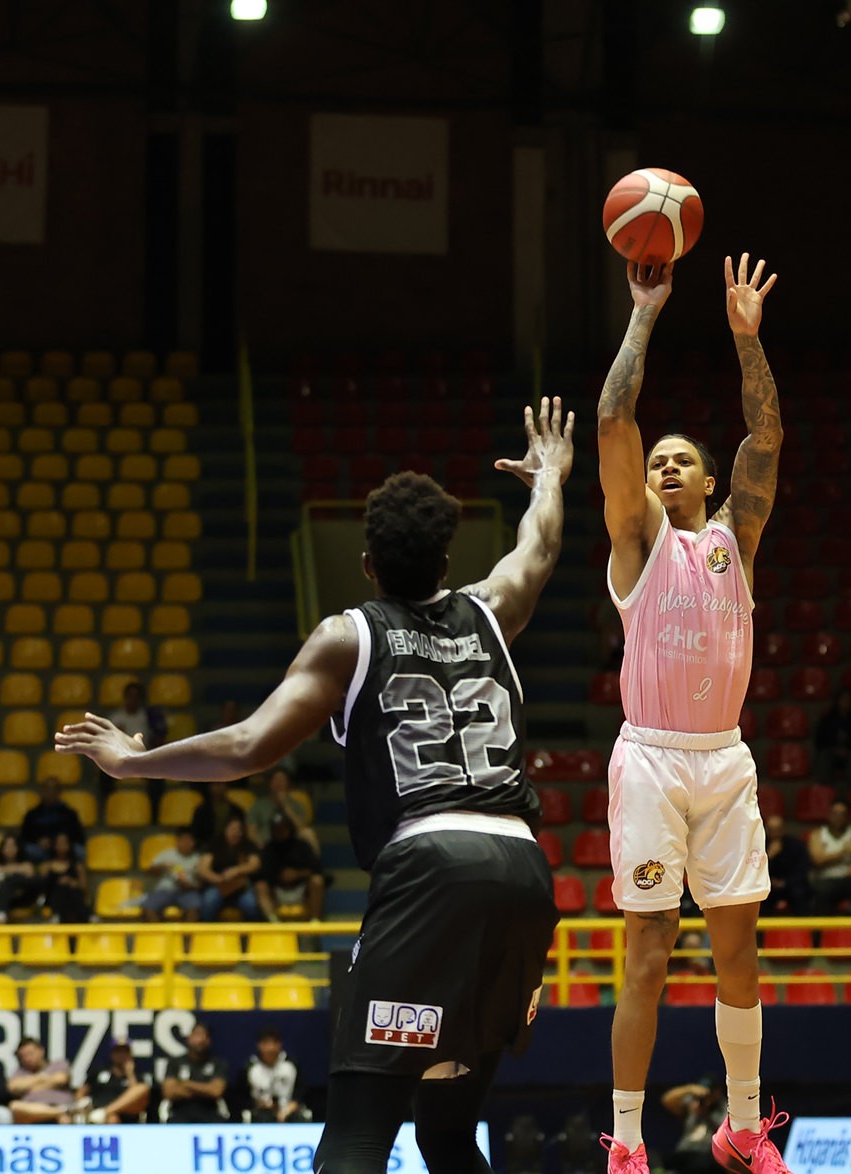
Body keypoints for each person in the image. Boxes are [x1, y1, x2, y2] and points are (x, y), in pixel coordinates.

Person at [57, 399, 574, 1174]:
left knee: (357, 1135)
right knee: (447, 1133)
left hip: (430, 870)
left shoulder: (349, 634)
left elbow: (245, 747)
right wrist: (551, 477)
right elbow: (538, 546)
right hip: (527, 877)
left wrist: (134, 760)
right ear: (447, 559)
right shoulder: (491, 611)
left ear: (367, 564)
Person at [594, 252, 794, 1174]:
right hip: (652, 758)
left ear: (708, 484)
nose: (666, 465)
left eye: (683, 460)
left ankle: (744, 1128)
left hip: (724, 759)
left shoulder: (734, 538)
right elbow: (612, 419)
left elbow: (767, 435)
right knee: (646, 949)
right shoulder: (634, 543)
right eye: (659, 461)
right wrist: (646, 312)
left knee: (739, 951)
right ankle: (627, 1145)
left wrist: (746, 341)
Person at [254, 814, 328, 921]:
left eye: (282, 827)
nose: (279, 831)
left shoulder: (302, 846)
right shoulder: (268, 849)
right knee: (260, 885)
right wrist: (278, 876)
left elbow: (316, 869)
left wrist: (297, 874)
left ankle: (314, 921)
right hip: (277, 890)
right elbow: (262, 875)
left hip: (300, 890)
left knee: (317, 881)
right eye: (276, 828)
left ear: (289, 828)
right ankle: (274, 922)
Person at [197, 814, 265, 921]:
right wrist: (219, 879)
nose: (236, 833)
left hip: (241, 887)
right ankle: (207, 936)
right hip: (218, 886)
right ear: (225, 829)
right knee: (209, 901)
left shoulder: (248, 844)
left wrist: (236, 870)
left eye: (239, 830)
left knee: (250, 904)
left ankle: (249, 936)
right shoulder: (214, 843)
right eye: (232, 829)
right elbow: (203, 869)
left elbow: (255, 864)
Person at [807, 800, 851, 915]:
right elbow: (818, 860)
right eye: (835, 813)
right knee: (821, 892)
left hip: (848, 879)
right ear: (829, 814)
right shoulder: (818, 834)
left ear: (847, 816)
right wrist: (843, 852)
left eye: (842, 814)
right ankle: (821, 930)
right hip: (826, 880)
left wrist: (828, 857)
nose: (838, 817)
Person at [159, 1026, 230, 1124]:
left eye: (204, 1036)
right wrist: (205, 1089)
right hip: (180, 1111)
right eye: (197, 1035)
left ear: (209, 1040)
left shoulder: (218, 1063)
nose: (200, 1039)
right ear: (189, 1038)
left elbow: (216, 1091)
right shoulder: (175, 1062)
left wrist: (185, 1084)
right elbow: (168, 1092)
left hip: (209, 1111)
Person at [661, 1076, 728, 1174]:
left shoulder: (723, 1107)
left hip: (708, 1155)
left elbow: (723, 1132)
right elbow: (667, 1100)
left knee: (701, 1164)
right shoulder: (694, 1103)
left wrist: (705, 1114)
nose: (706, 1096)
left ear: (717, 1091)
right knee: (662, 1159)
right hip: (685, 1152)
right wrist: (690, 1089)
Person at [249, 767, 321, 855]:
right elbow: (251, 831)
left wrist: (286, 806)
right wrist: (261, 845)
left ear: (288, 784)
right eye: (276, 780)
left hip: (290, 847)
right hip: (266, 845)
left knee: (308, 833)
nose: (278, 783)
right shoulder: (259, 805)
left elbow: (301, 828)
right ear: (270, 783)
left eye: (282, 780)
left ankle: (313, 867)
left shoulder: (297, 805)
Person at [78, 1042, 152, 1125]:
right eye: (118, 1052)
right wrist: (82, 1105)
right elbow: (82, 1091)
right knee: (111, 1118)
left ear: (130, 1054)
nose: (121, 1055)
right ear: (112, 1054)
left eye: (124, 1052)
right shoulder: (99, 1072)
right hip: (94, 1114)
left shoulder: (138, 1076)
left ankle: (105, 1112)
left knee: (113, 1118)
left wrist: (130, 1074)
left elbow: (137, 1098)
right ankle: (102, 1114)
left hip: (125, 1116)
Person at [244, 1028, 308, 1124]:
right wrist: (259, 1104)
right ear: (259, 1045)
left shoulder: (291, 1064)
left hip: (289, 1108)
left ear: (280, 1044)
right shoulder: (250, 1067)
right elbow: (242, 1095)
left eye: (274, 1043)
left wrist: (290, 1107)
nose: (271, 1048)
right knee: (262, 1119)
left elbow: (301, 1090)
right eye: (266, 1043)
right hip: (261, 1111)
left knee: (298, 1119)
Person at [140, 828, 204, 921]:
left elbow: (201, 884)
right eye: (182, 840)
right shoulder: (166, 854)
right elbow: (150, 871)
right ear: (177, 842)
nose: (185, 843)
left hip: (188, 892)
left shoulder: (198, 859)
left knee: (195, 908)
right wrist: (161, 866)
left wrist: (189, 886)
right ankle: (159, 935)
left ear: (193, 843)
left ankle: (186, 935)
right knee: (148, 907)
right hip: (165, 891)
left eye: (189, 840)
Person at [6, 1038, 75, 1124]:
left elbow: (61, 1080)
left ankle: (59, 1112)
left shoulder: (58, 1064)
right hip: (34, 1112)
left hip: (60, 1104)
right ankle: (58, 1112)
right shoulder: (19, 1072)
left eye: (30, 1053)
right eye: (23, 1056)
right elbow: (13, 1087)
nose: (27, 1058)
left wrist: (30, 1087)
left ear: (41, 1051)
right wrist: (41, 1077)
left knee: (65, 1119)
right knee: (14, 1106)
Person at [16, 777, 85, 861]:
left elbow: (79, 837)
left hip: (64, 848)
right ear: (42, 791)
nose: (50, 792)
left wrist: (62, 841)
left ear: (59, 792)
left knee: (80, 851)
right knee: (27, 850)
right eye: (47, 788)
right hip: (40, 850)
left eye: (54, 789)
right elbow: (24, 837)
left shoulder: (69, 813)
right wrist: (38, 841)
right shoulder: (32, 814)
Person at [813, 691, 851, 784]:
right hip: (832, 752)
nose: (846, 702)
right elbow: (819, 741)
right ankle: (824, 788)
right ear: (837, 701)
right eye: (843, 699)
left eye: (848, 700)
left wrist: (848, 749)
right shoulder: (827, 720)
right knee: (824, 755)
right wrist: (835, 749)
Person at [762, 816, 812, 916]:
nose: (775, 833)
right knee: (759, 897)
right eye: (771, 830)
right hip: (768, 886)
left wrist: (784, 882)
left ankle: (805, 929)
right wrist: (769, 857)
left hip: (790, 885)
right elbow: (755, 873)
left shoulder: (796, 845)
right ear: (766, 830)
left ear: (783, 829)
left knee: (800, 893)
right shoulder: (760, 846)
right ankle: (759, 931)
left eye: (778, 830)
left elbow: (802, 871)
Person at [37, 831, 91, 923]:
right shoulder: (46, 866)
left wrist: (72, 882)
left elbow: (84, 888)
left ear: (69, 845)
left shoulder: (77, 866)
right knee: (61, 889)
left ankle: (86, 917)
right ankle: (55, 915)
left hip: (72, 898)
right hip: (52, 898)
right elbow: (41, 886)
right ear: (54, 845)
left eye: (64, 843)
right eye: (58, 843)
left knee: (71, 891)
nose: (61, 845)